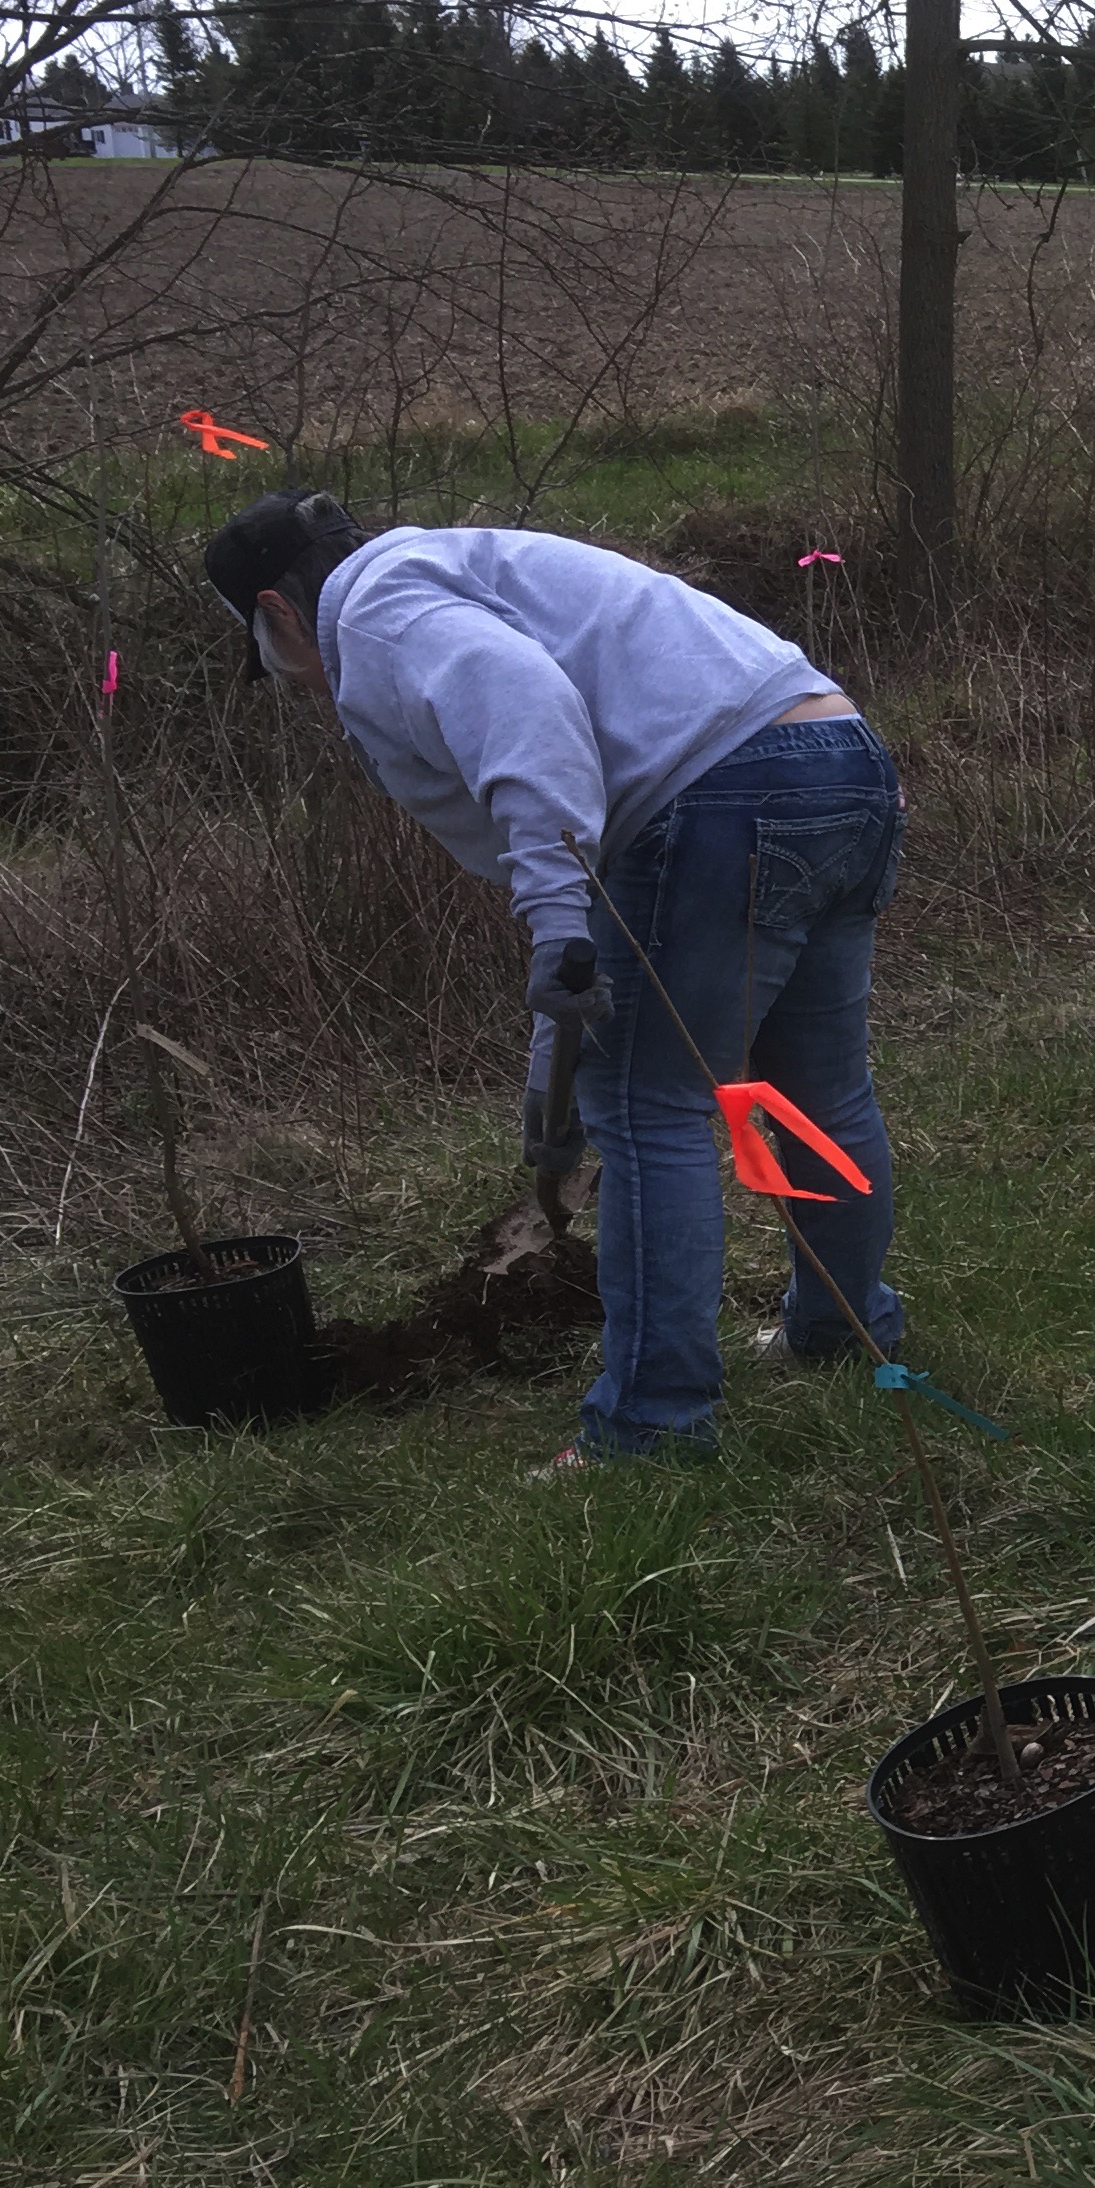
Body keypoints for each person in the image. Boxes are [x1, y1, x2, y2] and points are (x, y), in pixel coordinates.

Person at [203, 489, 904, 1468]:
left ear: (277, 615)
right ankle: (846, 1330)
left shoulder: (373, 613)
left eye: (272, 656)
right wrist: (557, 1041)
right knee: (819, 1095)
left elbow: (528, 716)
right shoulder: (451, 567)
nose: (293, 679)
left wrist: (560, 928)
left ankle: (648, 1432)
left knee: (648, 1110)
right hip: (837, 758)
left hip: (720, 793)